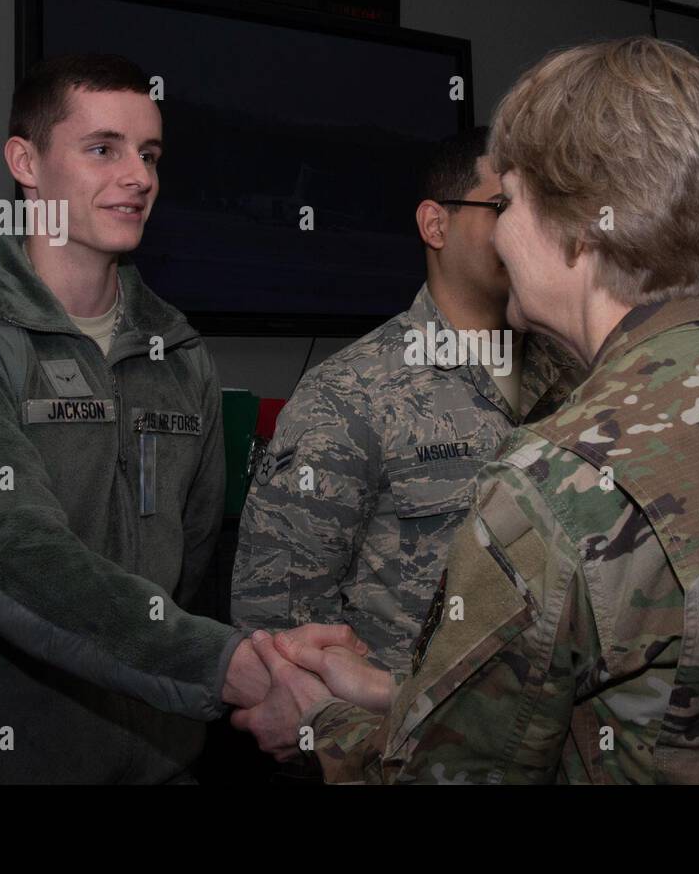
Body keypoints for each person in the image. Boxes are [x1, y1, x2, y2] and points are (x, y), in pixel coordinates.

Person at [233, 36, 699, 783]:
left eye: (510, 202)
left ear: (580, 227)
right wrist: (402, 694)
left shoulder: (558, 481)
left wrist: (322, 721)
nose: (503, 238)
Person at [0, 53, 359, 784]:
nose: (140, 177)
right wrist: (229, 667)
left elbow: (190, 562)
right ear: (25, 162)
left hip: (159, 761)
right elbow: (9, 559)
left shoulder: (180, 354)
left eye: (150, 154)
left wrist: (253, 663)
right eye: (104, 149)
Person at [231, 127, 581, 675]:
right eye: (504, 207)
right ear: (435, 225)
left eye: (543, 213)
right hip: (403, 746)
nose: (528, 234)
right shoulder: (350, 393)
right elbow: (280, 628)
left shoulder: (579, 380)